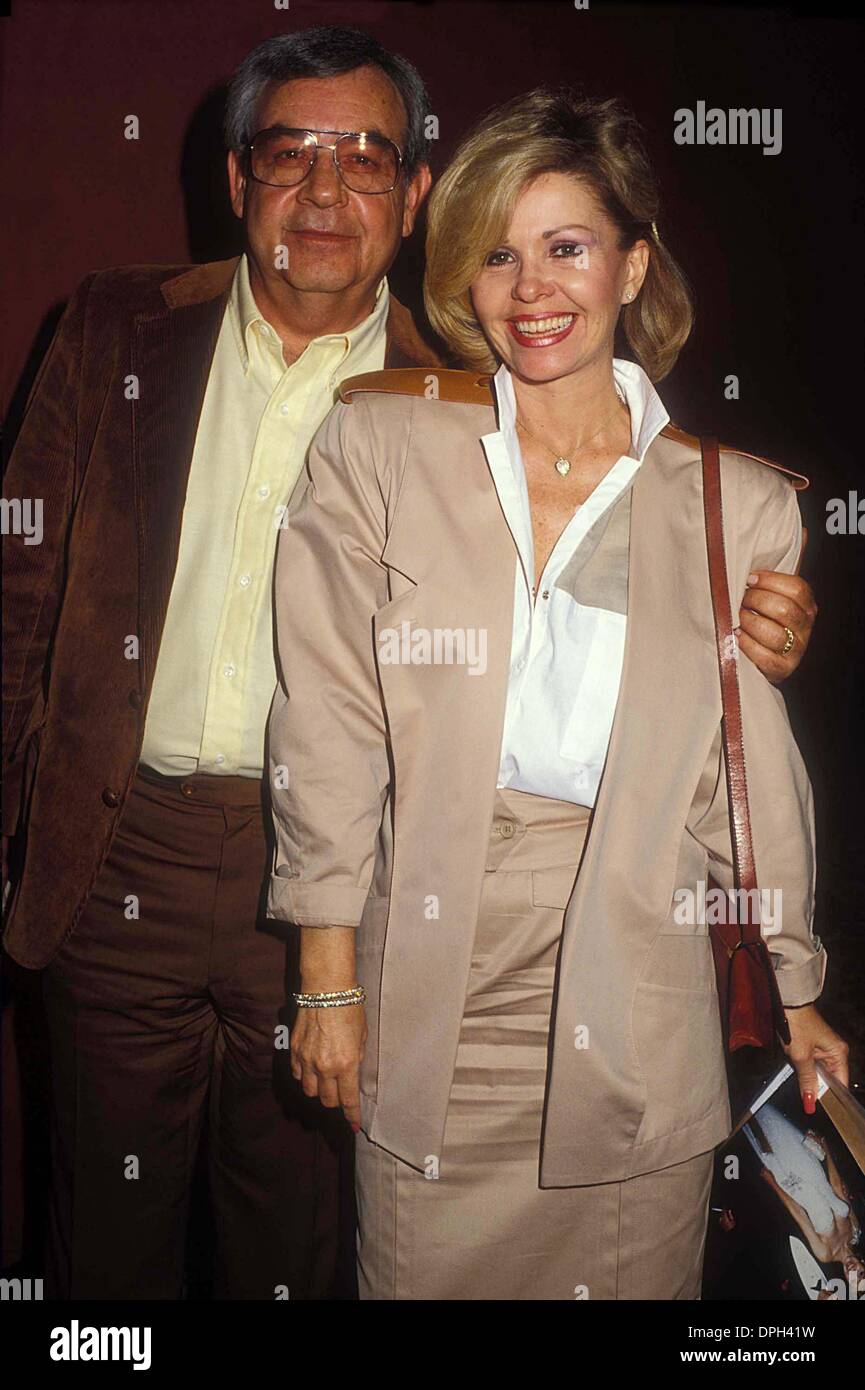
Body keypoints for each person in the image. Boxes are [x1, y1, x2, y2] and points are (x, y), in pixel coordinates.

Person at [265, 86, 847, 1300]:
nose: (531, 289)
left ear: (634, 264)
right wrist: (327, 970)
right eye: (495, 254)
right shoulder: (380, 446)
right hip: (430, 967)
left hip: (636, 972)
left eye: (567, 247)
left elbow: (743, 781)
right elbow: (325, 716)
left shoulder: (734, 503)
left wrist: (793, 984)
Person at [1, 26, 437, 1299]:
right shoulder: (114, 324)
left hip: (330, 893)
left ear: (413, 195)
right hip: (114, 851)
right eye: (288, 152)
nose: (322, 190)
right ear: (237, 180)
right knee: (107, 1249)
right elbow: (17, 582)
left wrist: (746, 601)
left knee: (290, 1245)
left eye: (363, 158)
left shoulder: (458, 397)